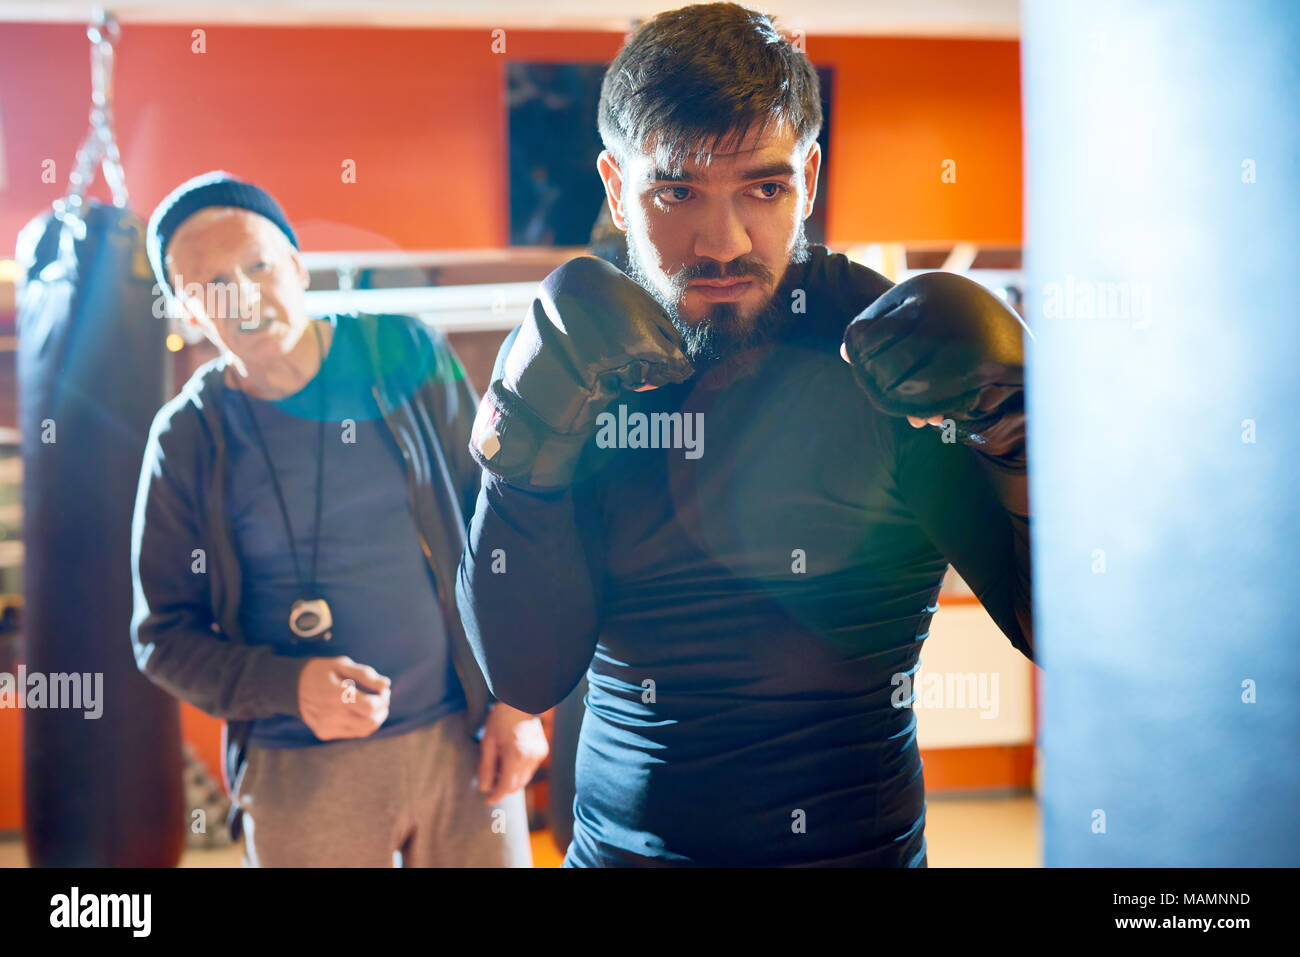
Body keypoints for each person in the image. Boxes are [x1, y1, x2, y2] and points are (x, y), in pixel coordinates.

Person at [456, 2, 1032, 867]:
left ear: (809, 176)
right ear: (616, 188)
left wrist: (1025, 431)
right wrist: (520, 463)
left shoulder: (890, 349)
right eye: (676, 190)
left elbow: (1056, 624)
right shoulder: (575, 354)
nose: (722, 243)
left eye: (765, 187)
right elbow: (526, 673)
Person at [131, 172, 545, 866]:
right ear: (187, 311)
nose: (244, 296)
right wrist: (286, 686)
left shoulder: (404, 351)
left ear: (295, 263)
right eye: (209, 284)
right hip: (298, 766)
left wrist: (518, 700)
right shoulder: (187, 437)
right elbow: (161, 637)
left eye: (258, 264)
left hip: (463, 739)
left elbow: (495, 530)